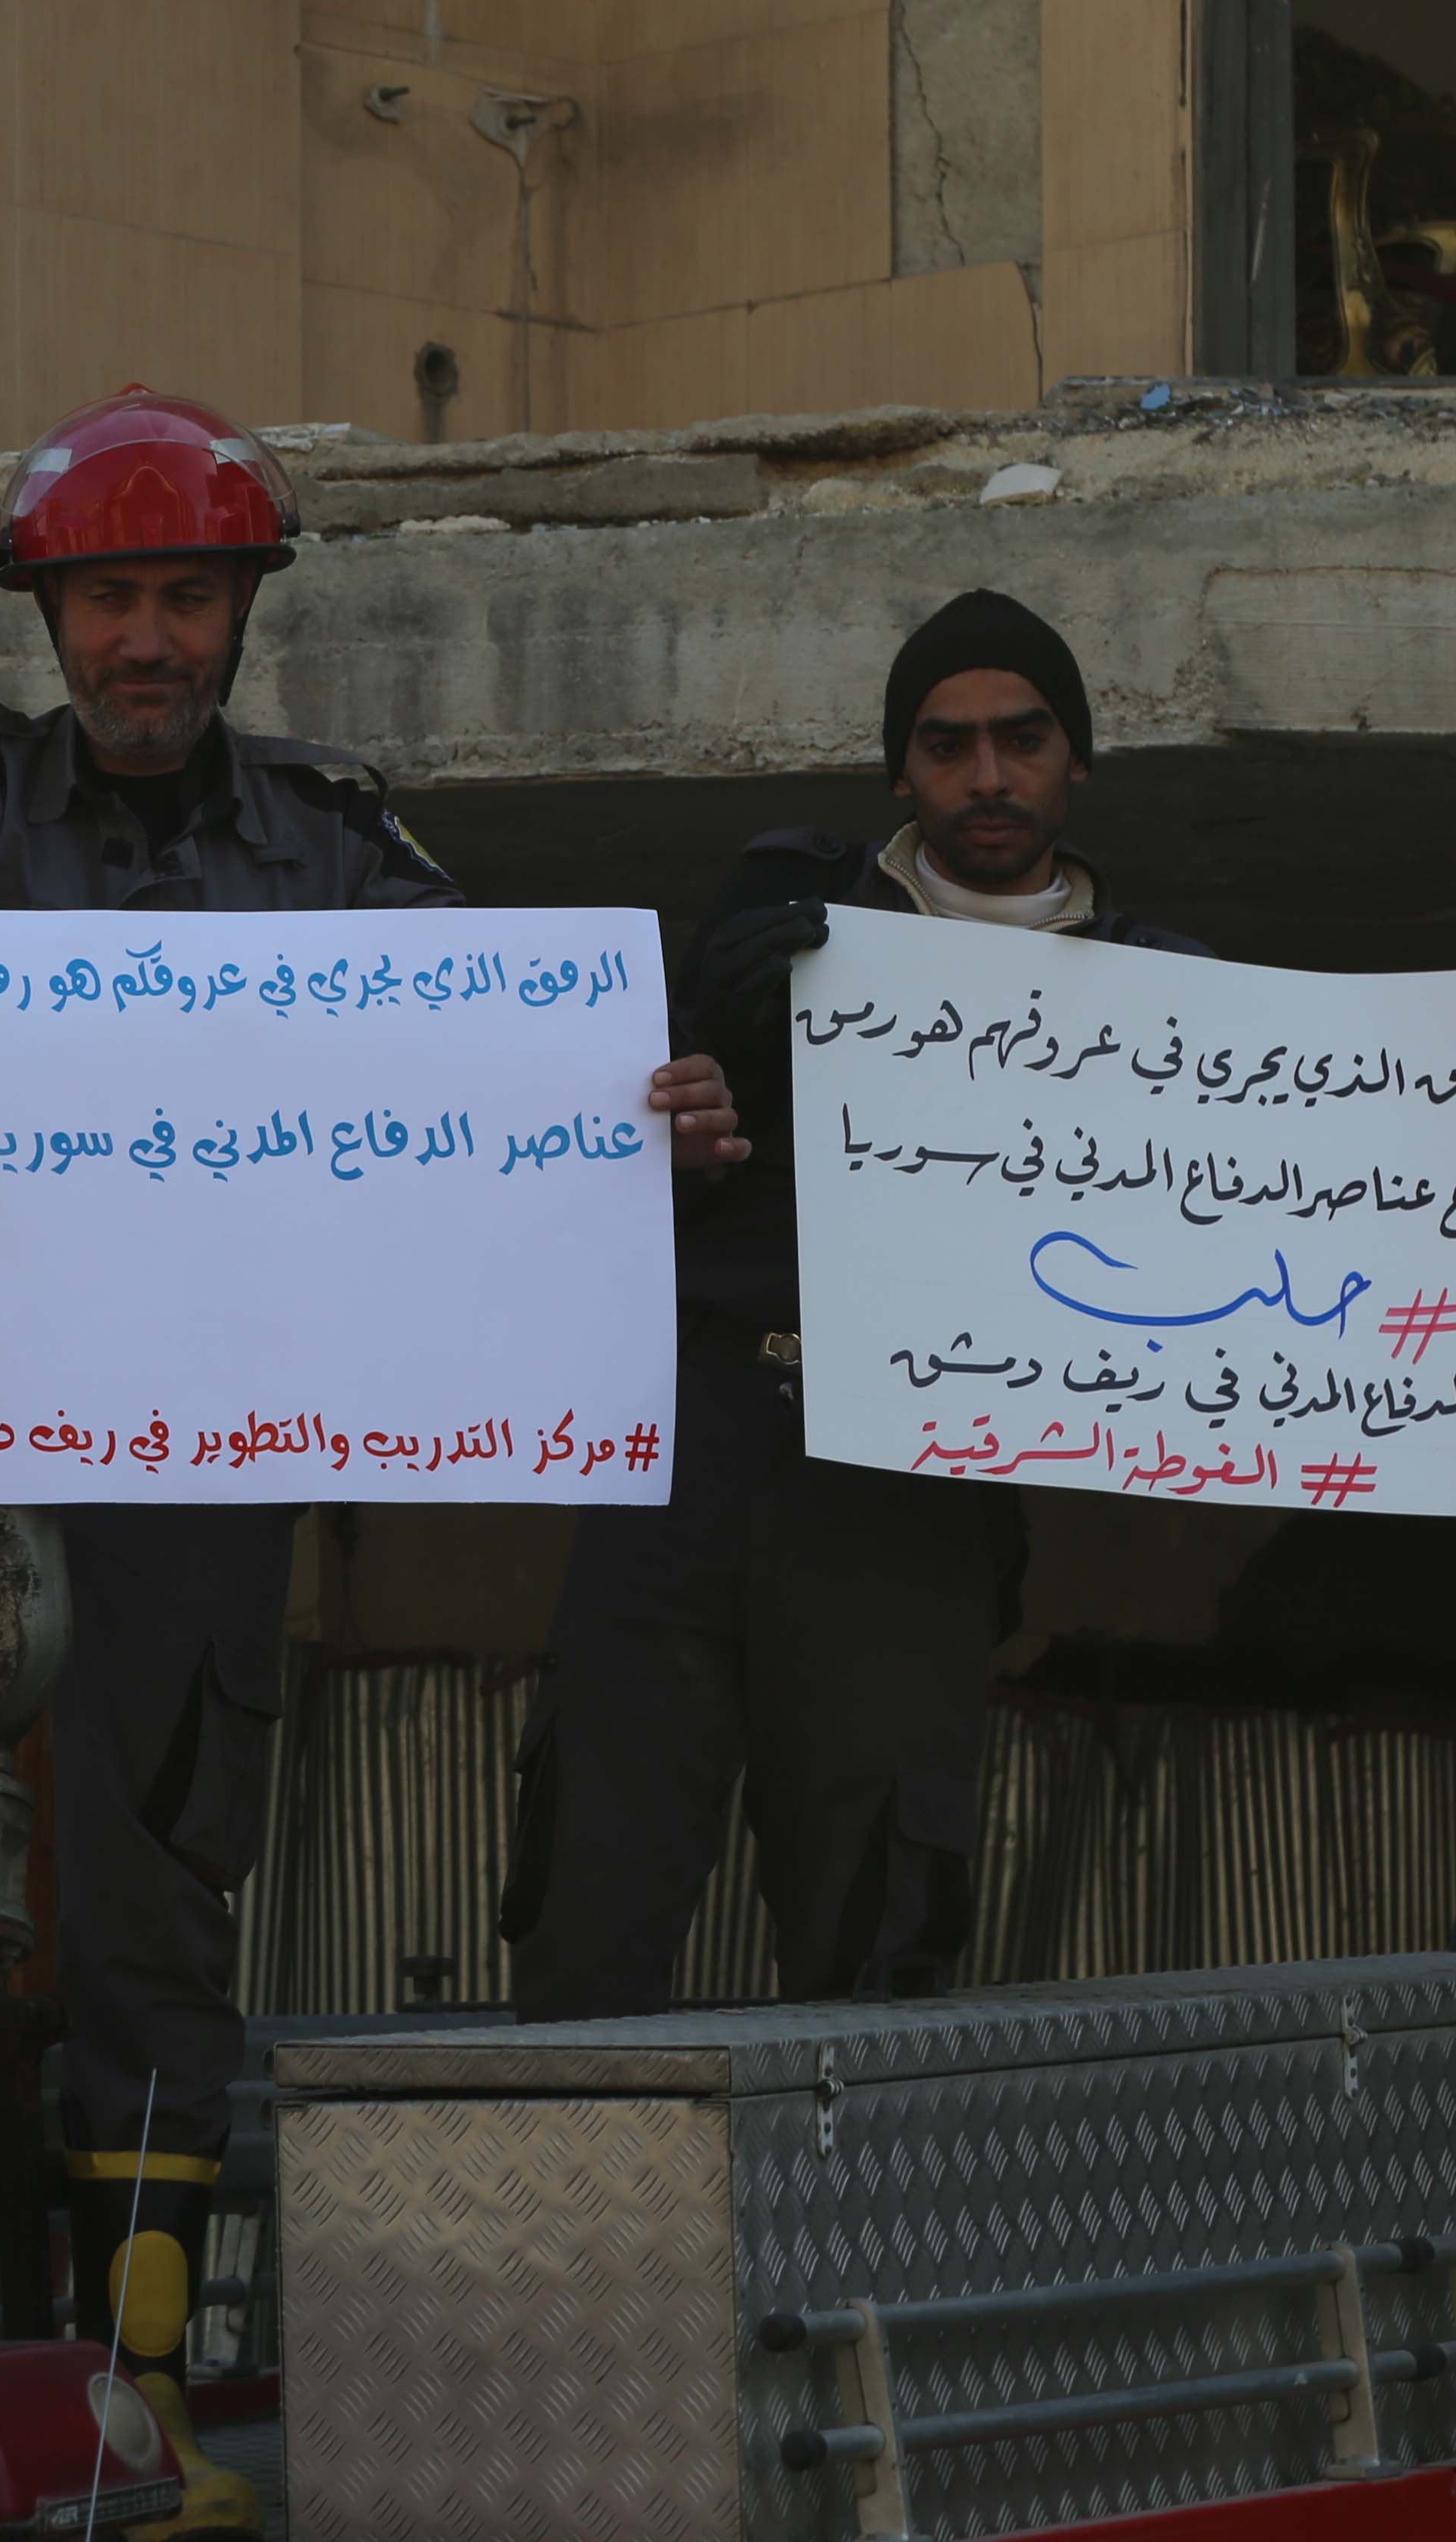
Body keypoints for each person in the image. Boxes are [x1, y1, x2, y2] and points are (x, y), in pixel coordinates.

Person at [0, 386, 740, 2532]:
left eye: (190, 600)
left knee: (147, 1913)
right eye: (113, 599)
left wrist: (637, 1100)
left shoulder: (335, 828)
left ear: (242, 616)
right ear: (51, 618)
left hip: (196, 1415)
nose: (151, 640)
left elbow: (497, 1027)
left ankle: (141, 2404)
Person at [498, 590, 1205, 2021]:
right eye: (947, 746)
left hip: (912, 1481)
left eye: (1022, 740)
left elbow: (1289, 1235)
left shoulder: (1160, 997)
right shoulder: (785, 908)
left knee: (873, 1917)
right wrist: (681, 1098)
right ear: (900, 772)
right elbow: (596, 1160)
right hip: (700, 1436)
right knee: (594, 1881)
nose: (986, 777)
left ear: (1076, 760)